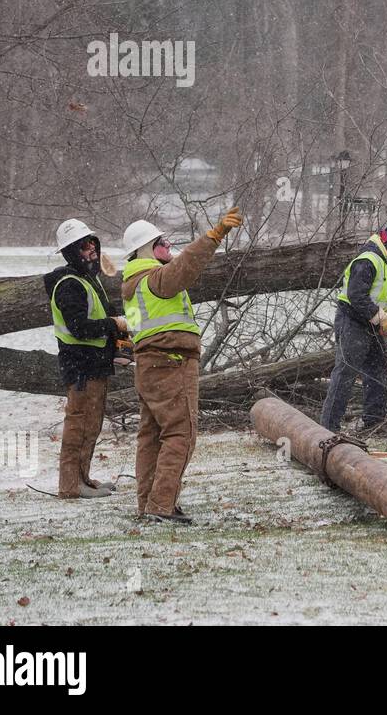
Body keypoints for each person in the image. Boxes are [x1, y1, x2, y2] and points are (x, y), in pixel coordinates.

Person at [120, 206, 242, 524]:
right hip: (172, 363)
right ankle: (162, 505)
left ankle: (148, 503)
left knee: (150, 436)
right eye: (162, 243)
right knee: (181, 433)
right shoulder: (156, 279)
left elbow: (137, 330)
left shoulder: (131, 288)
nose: (168, 248)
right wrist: (214, 236)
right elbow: (187, 266)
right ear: (147, 249)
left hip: (147, 367)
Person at [44, 219, 128, 499]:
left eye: (92, 243)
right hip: (80, 367)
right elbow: (80, 327)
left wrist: (118, 334)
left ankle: (83, 478)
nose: (90, 250)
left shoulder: (88, 280)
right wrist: (114, 325)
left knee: (92, 424)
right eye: (83, 246)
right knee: (78, 425)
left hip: (95, 365)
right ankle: (70, 485)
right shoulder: (69, 284)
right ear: (70, 252)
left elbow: (102, 314)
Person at [320, 220, 387, 432]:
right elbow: (356, 295)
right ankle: (328, 428)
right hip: (353, 320)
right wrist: (380, 316)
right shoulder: (368, 259)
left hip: (371, 323)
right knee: (345, 372)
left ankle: (374, 423)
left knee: (377, 372)